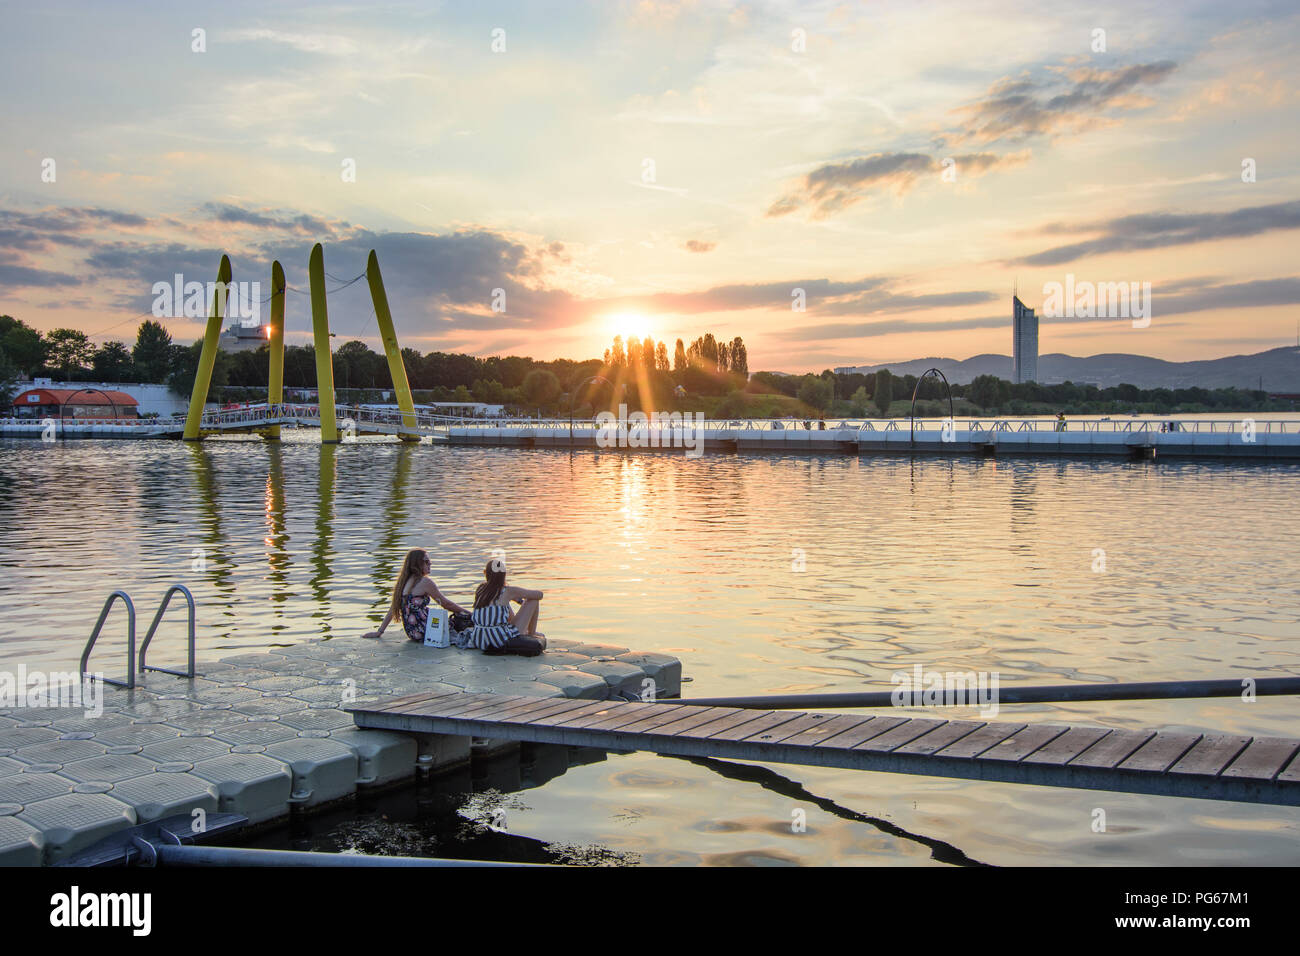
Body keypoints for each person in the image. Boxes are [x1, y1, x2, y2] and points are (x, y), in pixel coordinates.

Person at [363, 548, 469, 641]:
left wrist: (380, 631)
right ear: (418, 563)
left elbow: (392, 610)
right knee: (462, 618)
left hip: (412, 633)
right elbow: (446, 604)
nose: (430, 564)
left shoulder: (402, 583)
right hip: (426, 630)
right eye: (426, 561)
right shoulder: (425, 582)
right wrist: (469, 613)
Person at [460, 559, 546, 656]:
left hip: (480, 639)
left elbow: (497, 600)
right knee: (533, 600)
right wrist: (518, 597)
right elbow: (539, 595)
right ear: (504, 575)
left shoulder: (480, 589)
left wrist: (514, 598)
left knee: (503, 606)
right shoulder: (508, 591)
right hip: (498, 640)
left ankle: (525, 632)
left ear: (485, 573)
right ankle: (531, 634)